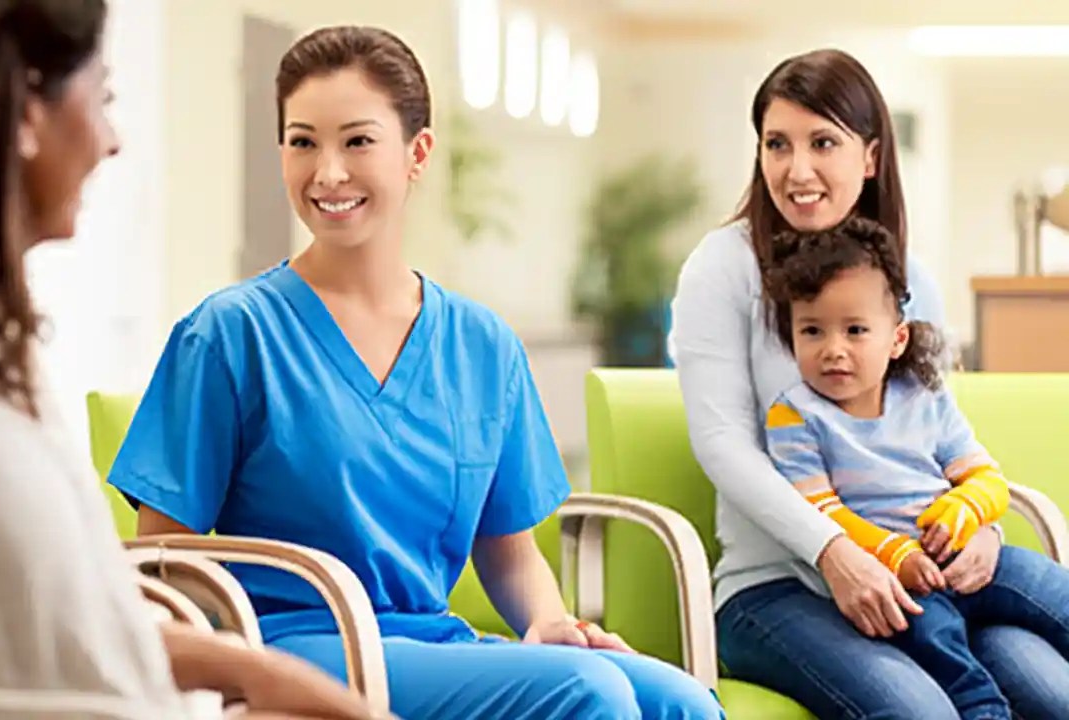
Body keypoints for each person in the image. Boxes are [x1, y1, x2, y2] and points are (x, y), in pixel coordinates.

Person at [108, 24, 723, 720]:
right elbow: (163, 558)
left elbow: (508, 549)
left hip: (431, 641)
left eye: (357, 141)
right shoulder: (230, 333)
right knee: (590, 694)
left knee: (681, 700)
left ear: (417, 153)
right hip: (294, 644)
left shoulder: (483, 345)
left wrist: (549, 623)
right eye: (302, 141)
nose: (327, 172)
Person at [0, 1, 376, 718]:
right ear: (23, 113)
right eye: (101, 99)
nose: (112, 141)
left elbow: (82, 631)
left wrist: (256, 673)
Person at [669, 47, 1069, 719]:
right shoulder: (723, 267)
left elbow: (933, 437)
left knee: (1053, 694)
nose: (797, 170)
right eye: (777, 144)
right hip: (778, 590)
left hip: (925, 579)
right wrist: (835, 553)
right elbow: (724, 446)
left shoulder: (909, 276)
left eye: (823, 141)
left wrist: (980, 533)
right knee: (923, 714)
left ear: (872, 156)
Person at [761, 216, 1069, 720]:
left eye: (856, 330)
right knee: (960, 677)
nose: (833, 348)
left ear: (896, 339)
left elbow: (986, 478)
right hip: (898, 584)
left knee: (1054, 591)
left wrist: (964, 512)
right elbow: (819, 511)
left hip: (969, 557)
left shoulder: (923, 395)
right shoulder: (794, 414)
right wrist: (896, 554)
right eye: (811, 331)